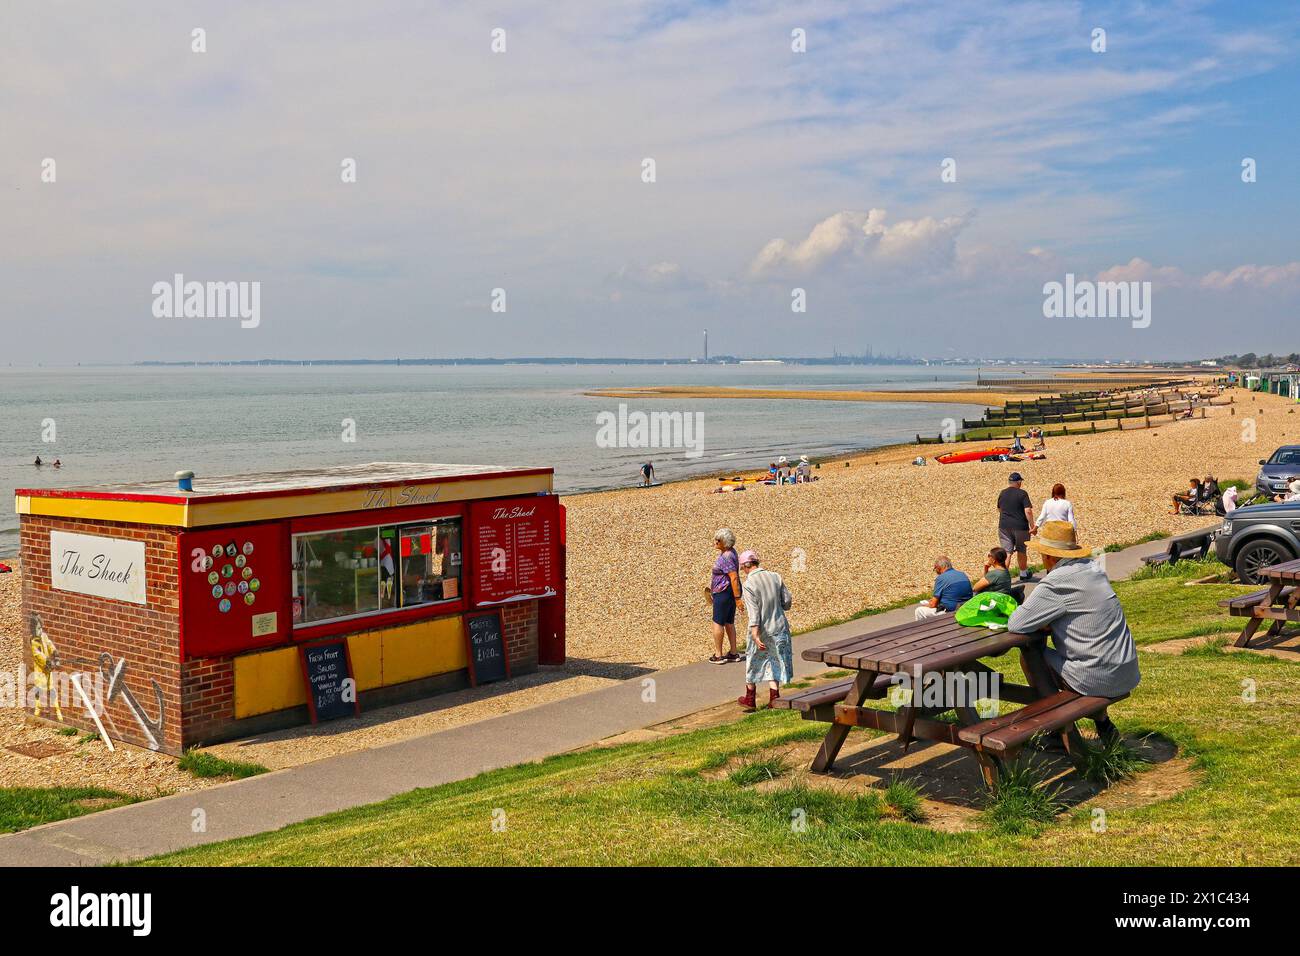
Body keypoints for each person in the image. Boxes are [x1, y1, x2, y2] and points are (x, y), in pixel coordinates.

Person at [1006, 521, 1140, 742]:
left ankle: (1058, 729)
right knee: (1087, 656)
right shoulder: (1094, 569)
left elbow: (1017, 624)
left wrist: (1045, 622)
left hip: (1098, 677)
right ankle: (1102, 722)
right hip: (1126, 670)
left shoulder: (1056, 581)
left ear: (1048, 557)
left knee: (1030, 656)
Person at [736, 550, 793, 711]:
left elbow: (753, 613)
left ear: (745, 566)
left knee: (753, 659)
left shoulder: (749, 585)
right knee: (774, 659)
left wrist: (754, 633)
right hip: (779, 626)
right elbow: (787, 601)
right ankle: (774, 696)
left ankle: (750, 697)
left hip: (761, 629)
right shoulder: (775, 576)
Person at [708, 528, 743, 664]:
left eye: (718, 540)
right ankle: (733, 652)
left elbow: (733, 577)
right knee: (729, 622)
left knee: (718, 622)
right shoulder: (732, 552)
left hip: (723, 592)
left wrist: (738, 598)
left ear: (725, 543)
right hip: (729, 592)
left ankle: (718, 655)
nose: (715, 542)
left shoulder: (726, 557)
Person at [997, 472, 1036, 582]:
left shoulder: (1002, 493)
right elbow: (1028, 511)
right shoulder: (1022, 493)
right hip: (1020, 527)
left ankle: (1002, 578)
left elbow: (999, 509)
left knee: (1007, 552)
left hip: (1004, 526)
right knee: (1021, 550)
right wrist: (1032, 526)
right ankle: (1023, 573)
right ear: (1018, 482)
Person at [916, 555, 973, 620]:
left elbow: (933, 605)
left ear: (938, 567)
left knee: (919, 610)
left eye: (935, 569)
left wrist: (926, 605)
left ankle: (923, 630)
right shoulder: (962, 574)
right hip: (966, 609)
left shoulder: (941, 578)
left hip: (950, 613)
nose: (936, 571)